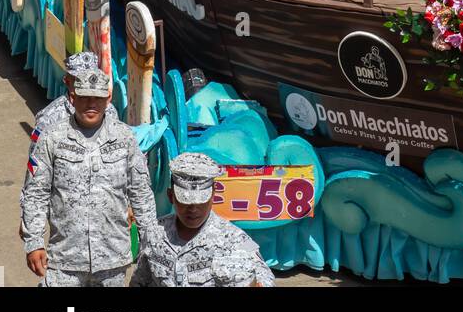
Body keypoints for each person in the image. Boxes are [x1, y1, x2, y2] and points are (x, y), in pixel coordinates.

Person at [21, 65, 156, 288]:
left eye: (97, 98)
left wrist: (149, 243)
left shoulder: (125, 139)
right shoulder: (52, 139)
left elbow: (141, 194)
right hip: (64, 260)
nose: (91, 104)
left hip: (112, 260)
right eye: (84, 98)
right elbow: (36, 194)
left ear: (108, 98)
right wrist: (34, 242)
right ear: (73, 98)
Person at [130, 154, 274, 288]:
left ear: (213, 195)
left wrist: (259, 283)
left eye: (201, 202)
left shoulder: (235, 240)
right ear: (171, 196)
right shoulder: (154, 233)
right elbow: (141, 279)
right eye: (185, 201)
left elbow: (263, 275)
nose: (193, 209)